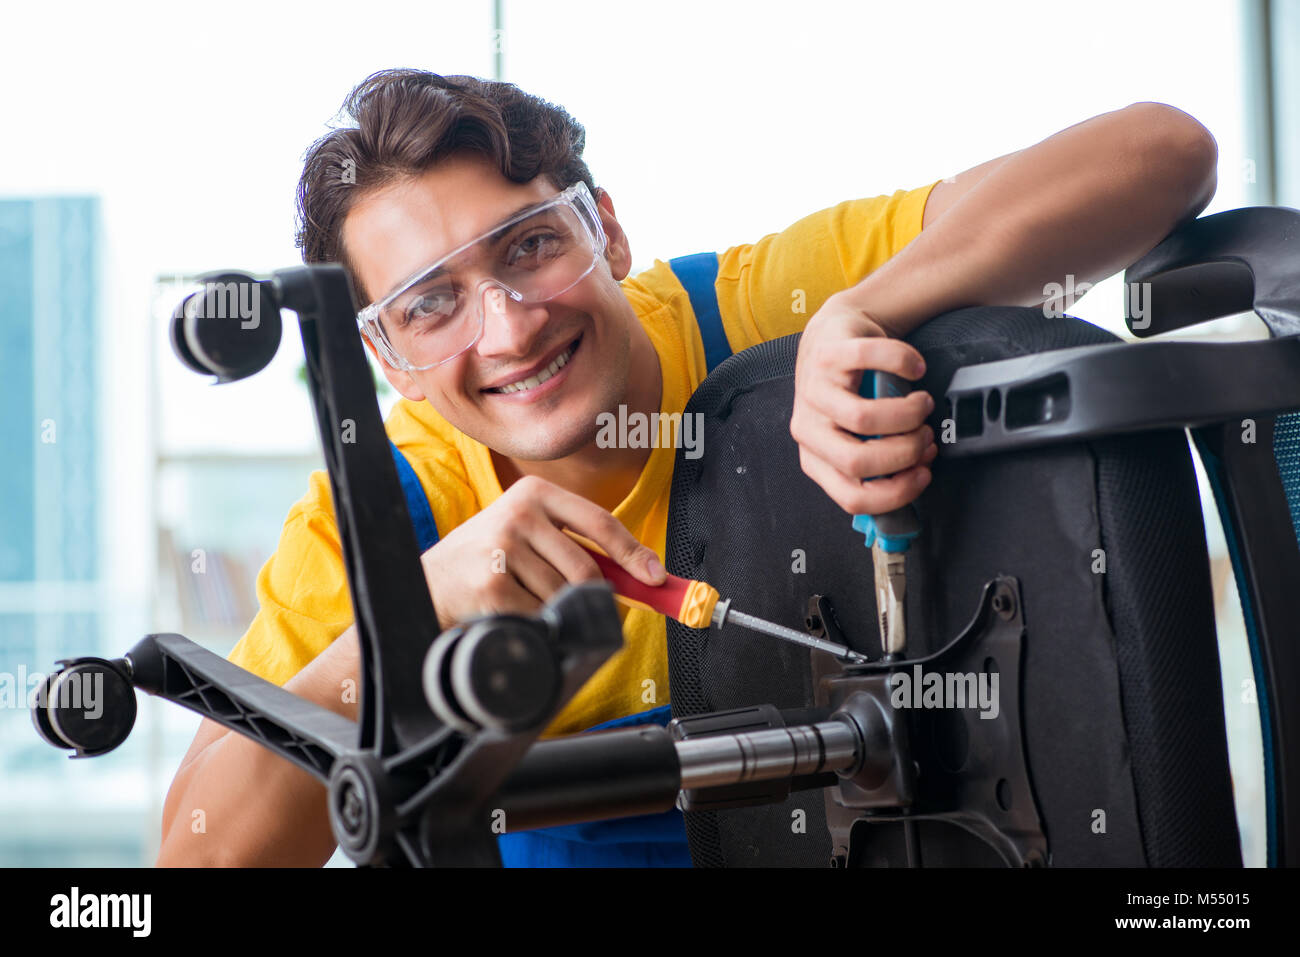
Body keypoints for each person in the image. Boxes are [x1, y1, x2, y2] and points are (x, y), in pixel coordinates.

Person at [157, 69, 1217, 867]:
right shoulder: (382, 516)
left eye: (528, 246)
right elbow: (196, 857)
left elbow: (1160, 153)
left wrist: (869, 310)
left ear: (605, 230)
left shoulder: (754, 313)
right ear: (385, 359)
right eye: (430, 304)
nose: (509, 329)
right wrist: (404, 626)